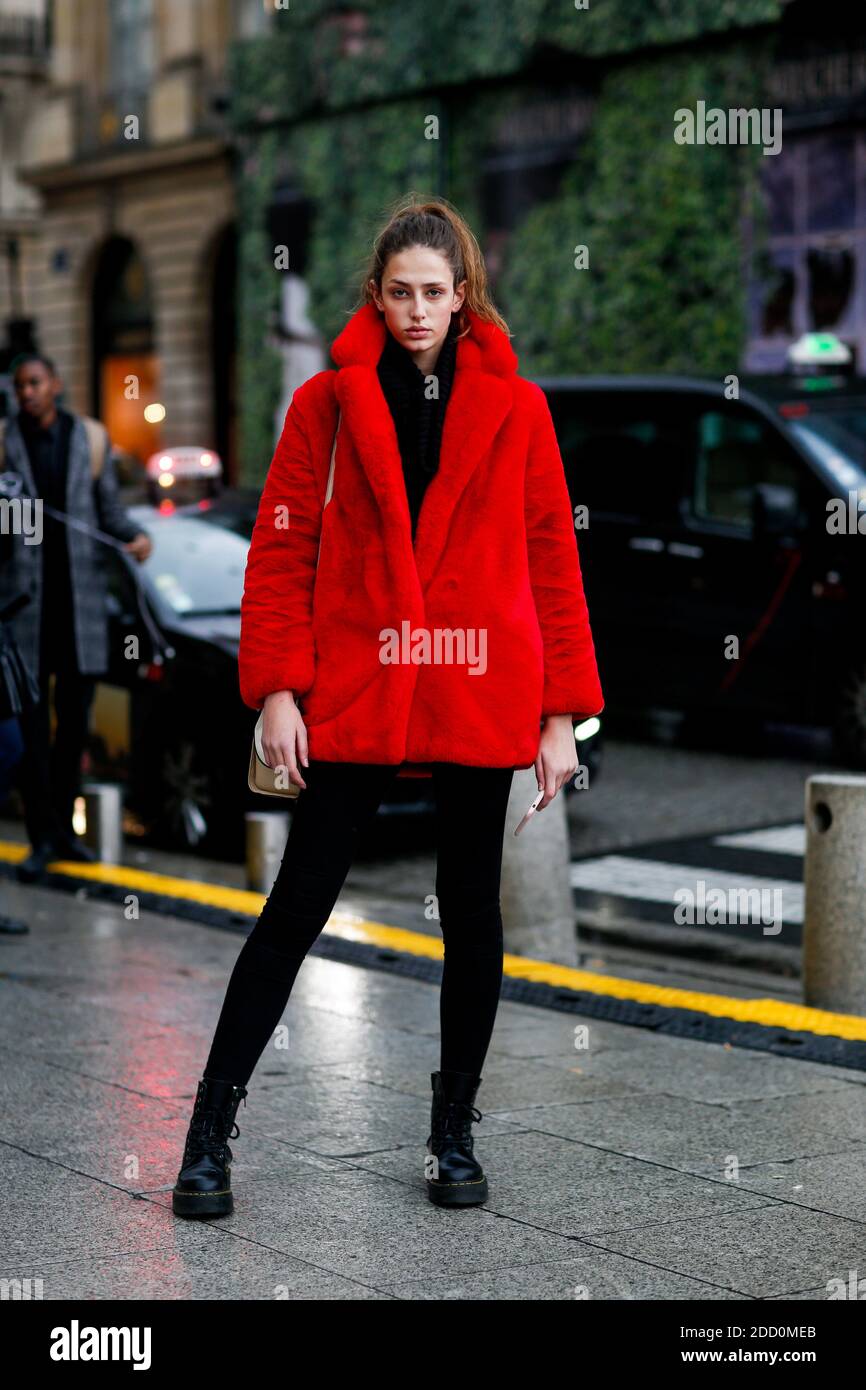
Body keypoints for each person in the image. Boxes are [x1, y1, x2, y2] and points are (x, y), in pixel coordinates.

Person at [172, 194, 604, 1219]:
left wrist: (560, 715)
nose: (416, 311)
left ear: (463, 299)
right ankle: (208, 1130)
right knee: (297, 905)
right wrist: (276, 689)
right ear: (377, 294)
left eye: (434, 294)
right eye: (400, 293)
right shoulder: (323, 405)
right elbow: (279, 550)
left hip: (473, 686)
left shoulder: (520, 409)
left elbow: (551, 559)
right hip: (355, 689)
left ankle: (451, 1130)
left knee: (471, 911)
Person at [0, 354, 153, 880]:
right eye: (20, 386)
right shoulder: (3, 441)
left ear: (56, 385)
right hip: (23, 613)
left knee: (74, 729)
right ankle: (41, 837)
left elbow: (106, 510)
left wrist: (133, 535)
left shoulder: (88, 439)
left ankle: (65, 832)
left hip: (79, 605)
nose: (27, 393)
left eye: (35, 383)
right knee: (30, 731)